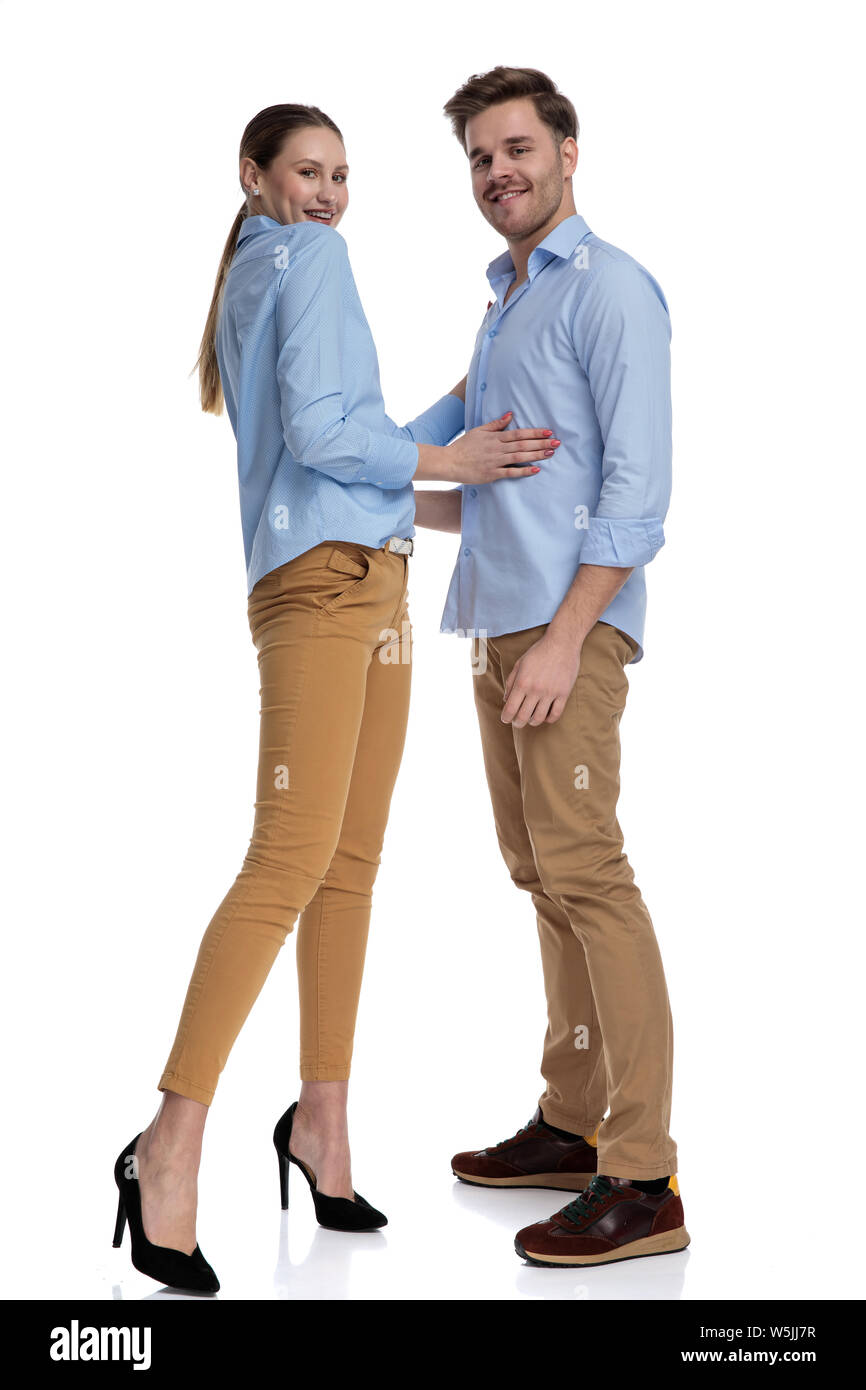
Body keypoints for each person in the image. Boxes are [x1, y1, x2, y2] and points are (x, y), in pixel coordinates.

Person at [111, 101, 558, 1293]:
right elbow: (322, 436)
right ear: (251, 177)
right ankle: (170, 1142)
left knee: (347, 864)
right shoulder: (303, 256)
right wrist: (448, 458)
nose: (327, 193)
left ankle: (322, 1128)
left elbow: (352, 444)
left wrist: (459, 407)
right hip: (324, 590)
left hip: (370, 581)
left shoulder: (269, 269)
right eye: (304, 170)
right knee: (289, 860)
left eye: (342, 176)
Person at [414, 67, 690, 1267]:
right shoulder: (503, 304)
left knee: (589, 876)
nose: (496, 174)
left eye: (515, 148)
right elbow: (435, 462)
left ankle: (643, 1174)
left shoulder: (608, 292)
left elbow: (638, 494)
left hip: (563, 633)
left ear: (567, 151)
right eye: (478, 158)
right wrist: (323, 451)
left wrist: (572, 636)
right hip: (499, 625)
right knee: (539, 874)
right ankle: (573, 1123)